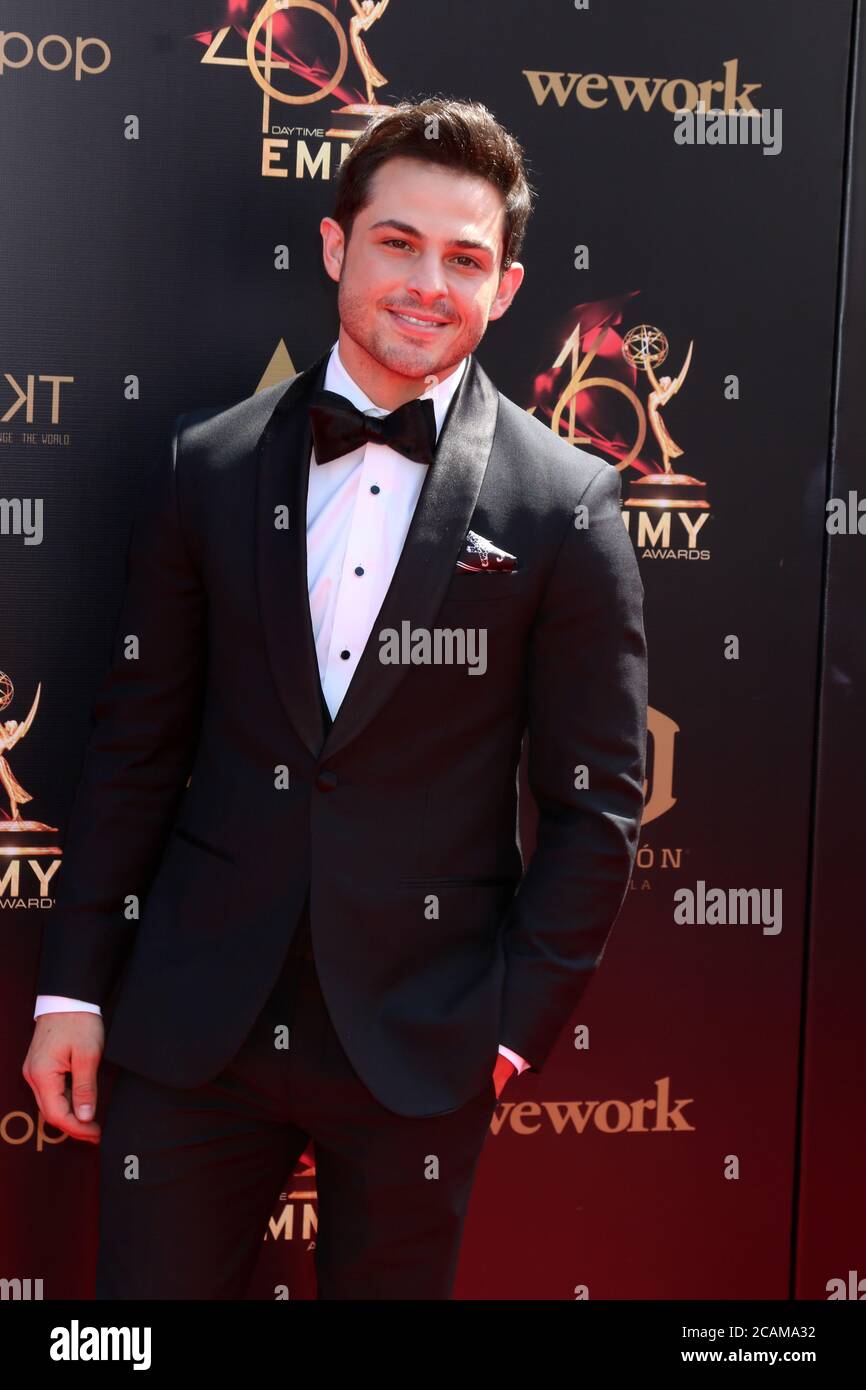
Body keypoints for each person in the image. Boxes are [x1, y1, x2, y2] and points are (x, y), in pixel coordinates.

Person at [22, 97, 648, 1300]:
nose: (426, 281)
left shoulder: (564, 505)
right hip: (190, 1029)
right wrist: (72, 987)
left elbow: (595, 805)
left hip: (423, 1039)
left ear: (505, 287)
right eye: (397, 243)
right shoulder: (206, 465)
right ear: (333, 246)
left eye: (463, 258)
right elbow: (135, 747)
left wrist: (507, 1031)